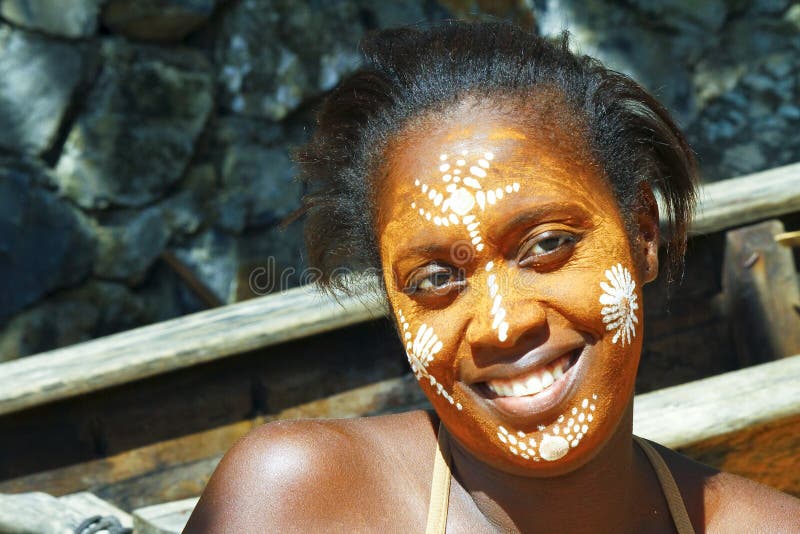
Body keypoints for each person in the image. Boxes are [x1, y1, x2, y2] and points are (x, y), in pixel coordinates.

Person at [184, 22, 800, 532]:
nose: (504, 325)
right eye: (432, 280)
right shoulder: (298, 505)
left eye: (548, 245)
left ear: (642, 235)